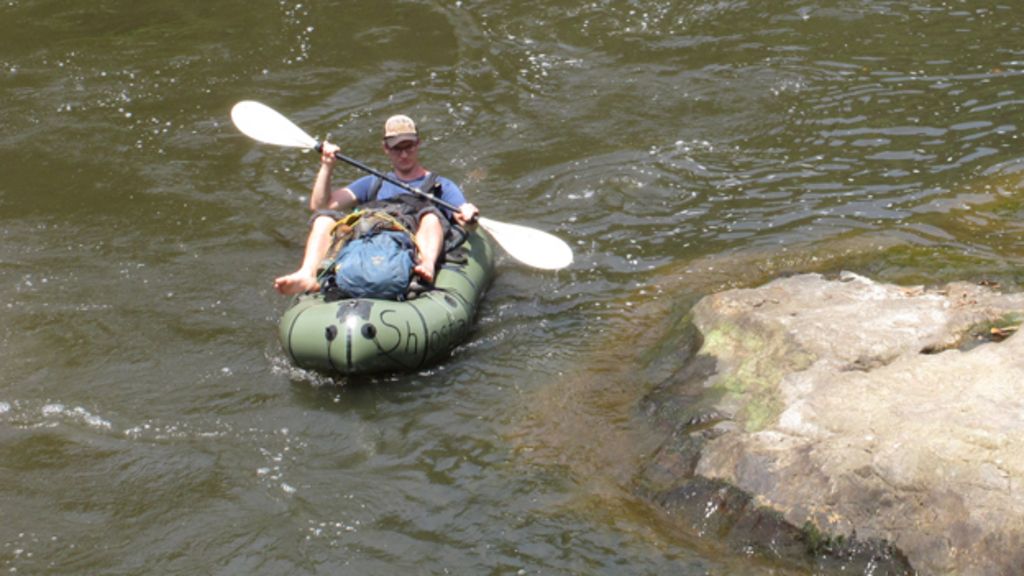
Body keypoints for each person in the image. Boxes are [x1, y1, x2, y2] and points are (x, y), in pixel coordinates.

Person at [273, 114, 479, 295]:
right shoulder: (373, 182)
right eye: (397, 148)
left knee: (431, 216)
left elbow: (464, 222)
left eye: (408, 146)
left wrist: (468, 216)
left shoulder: (441, 186)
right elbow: (321, 205)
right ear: (386, 149)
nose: (404, 154)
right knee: (323, 219)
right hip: (369, 236)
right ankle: (307, 274)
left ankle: (426, 266)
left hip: (409, 240)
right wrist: (327, 167)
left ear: (418, 144)